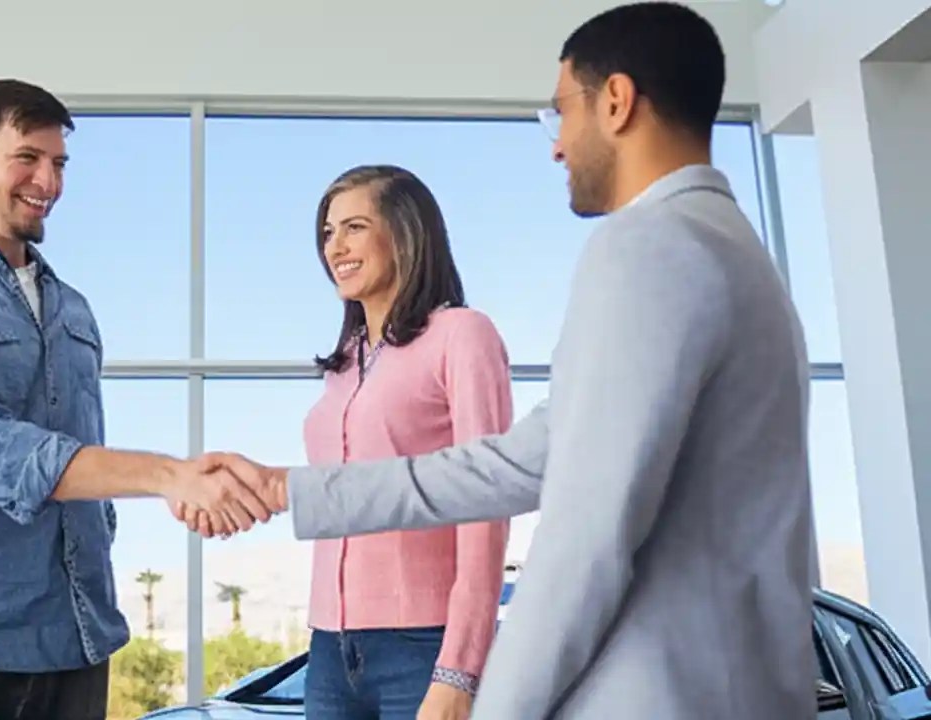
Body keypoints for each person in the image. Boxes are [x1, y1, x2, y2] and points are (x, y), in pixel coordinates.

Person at [194, 3, 816, 718]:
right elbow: (519, 462)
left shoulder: (646, 249)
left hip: (661, 694)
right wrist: (285, 489)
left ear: (615, 101)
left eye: (561, 112)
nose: (556, 146)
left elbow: (587, 533)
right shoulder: (741, 255)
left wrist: (477, 692)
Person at [0, 78, 271, 720]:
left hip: (72, 641)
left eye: (59, 163)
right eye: (28, 158)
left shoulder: (72, 307)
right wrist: (170, 476)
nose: (48, 182)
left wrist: (181, 492)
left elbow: (83, 452)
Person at [298, 165, 512, 720]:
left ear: (406, 232)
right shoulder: (343, 366)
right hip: (329, 648)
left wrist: (459, 667)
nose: (335, 247)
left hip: (423, 645)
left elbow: (487, 505)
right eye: (327, 232)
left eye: (354, 227)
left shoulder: (462, 335)